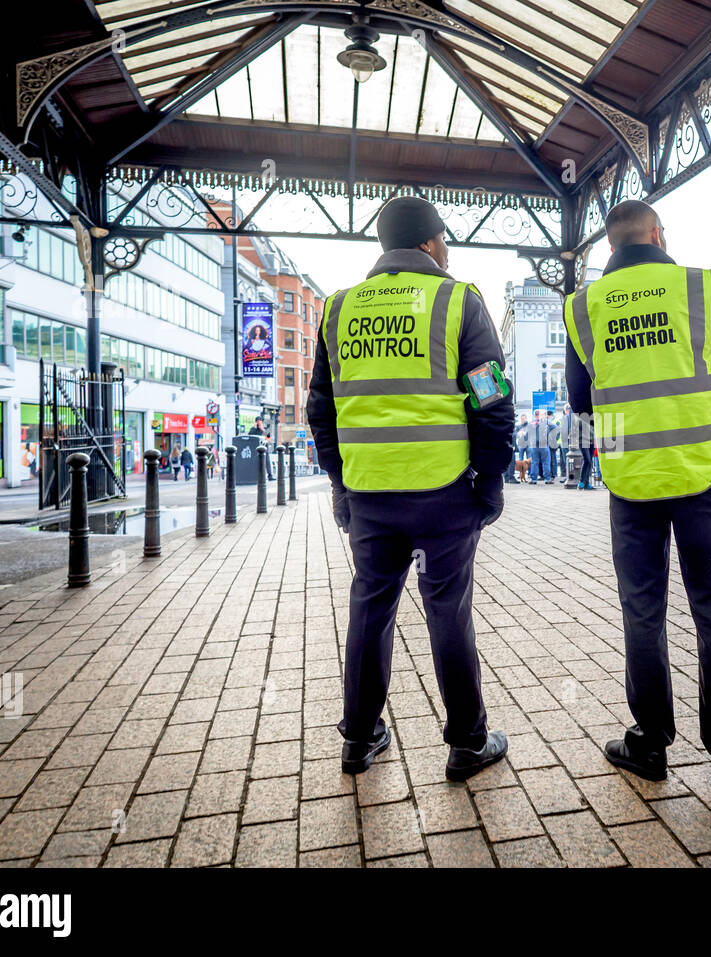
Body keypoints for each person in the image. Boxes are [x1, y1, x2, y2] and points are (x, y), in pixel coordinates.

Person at [306, 194, 512, 782]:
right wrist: (491, 478)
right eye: (443, 238)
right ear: (429, 242)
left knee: (371, 606)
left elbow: (320, 408)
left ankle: (359, 738)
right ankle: (468, 744)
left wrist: (340, 481)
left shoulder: (339, 308)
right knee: (448, 611)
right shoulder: (457, 298)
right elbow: (492, 400)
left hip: (370, 492)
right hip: (444, 490)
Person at [564, 198, 711, 787]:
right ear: (657, 234)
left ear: (610, 245)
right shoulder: (699, 286)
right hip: (698, 474)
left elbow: (578, 399)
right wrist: (692, 408)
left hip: (630, 479)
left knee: (642, 612)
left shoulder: (584, 305)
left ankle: (649, 744)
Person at [561, 403, 595, 490]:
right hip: (582, 440)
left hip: (591, 440)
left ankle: (587, 483)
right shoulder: (579, 416)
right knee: (587, 459)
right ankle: (581, 481)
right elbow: (577, 427)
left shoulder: (592, 415)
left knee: (590, 461)